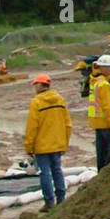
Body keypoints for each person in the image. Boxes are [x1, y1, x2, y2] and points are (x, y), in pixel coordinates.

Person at [24, 73, 72, 210]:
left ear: (40, 85)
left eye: (35, 84)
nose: (34, 87)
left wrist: (29, 146)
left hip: (41, 146)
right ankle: (61, 200)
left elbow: (32, 127)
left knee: (44, 173)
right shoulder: (60, 100)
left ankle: (49, 203)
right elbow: (67, 123)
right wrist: (65, 143)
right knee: (57, 171)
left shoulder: (36, 102)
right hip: (57, 144)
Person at [88, 54, 110, 170]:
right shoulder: (104, 85)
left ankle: (101, 172)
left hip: (96, 121)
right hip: (105, 121)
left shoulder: (94, 81)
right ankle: (108, 172)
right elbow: (107, 106)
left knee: (101, 150)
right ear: (105, 68)